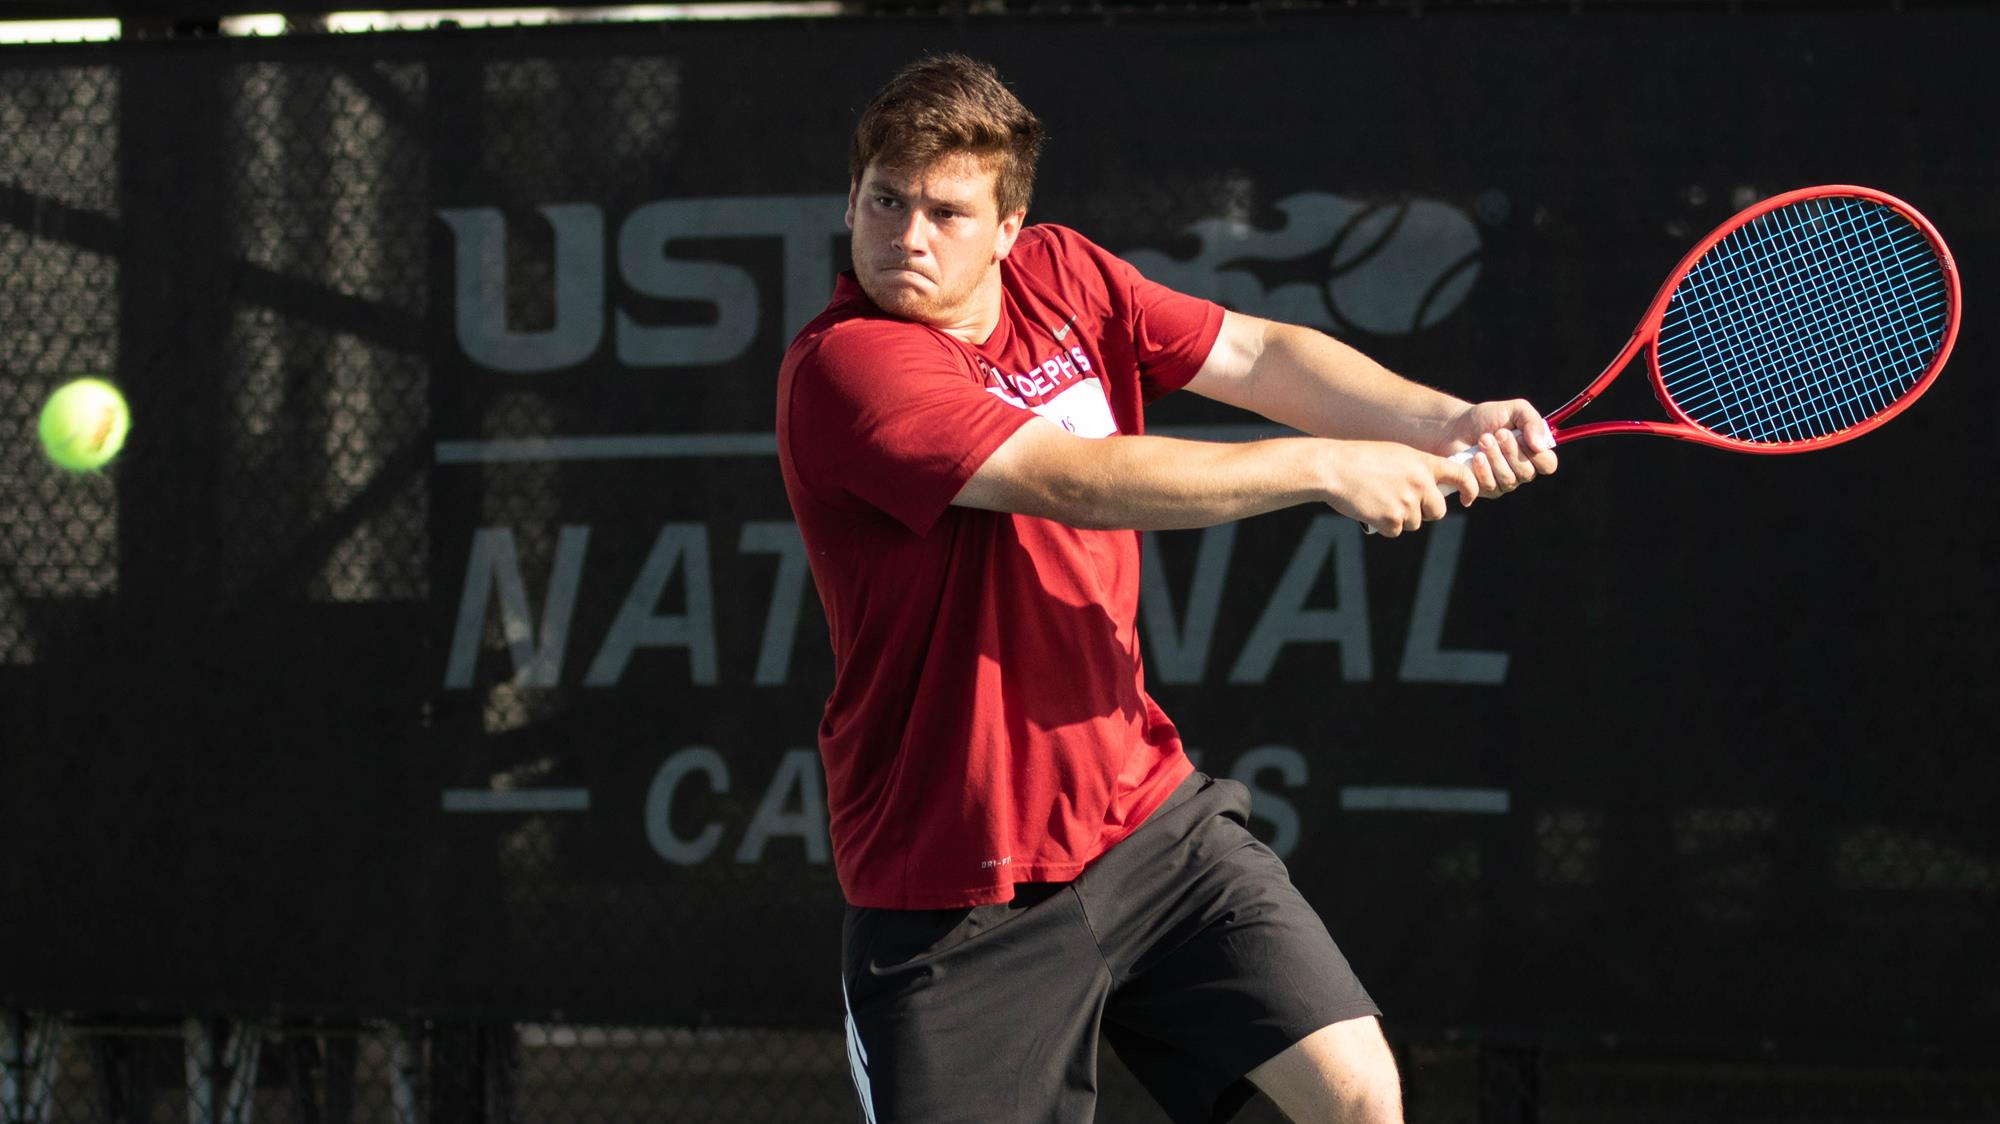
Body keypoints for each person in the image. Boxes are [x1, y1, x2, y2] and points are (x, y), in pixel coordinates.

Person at [776, 53, 1557, 1124]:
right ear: (851, 200)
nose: (909, 234)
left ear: (1008, 229)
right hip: (957, 890)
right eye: (885, 200)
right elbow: (1075, 480)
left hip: (1145, 821)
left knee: (1357, 1092)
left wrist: (1440, 420)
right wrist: (1325, 466)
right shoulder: (848, 368)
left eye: (946, 212)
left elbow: (1254, 351)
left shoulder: (1064, 274)